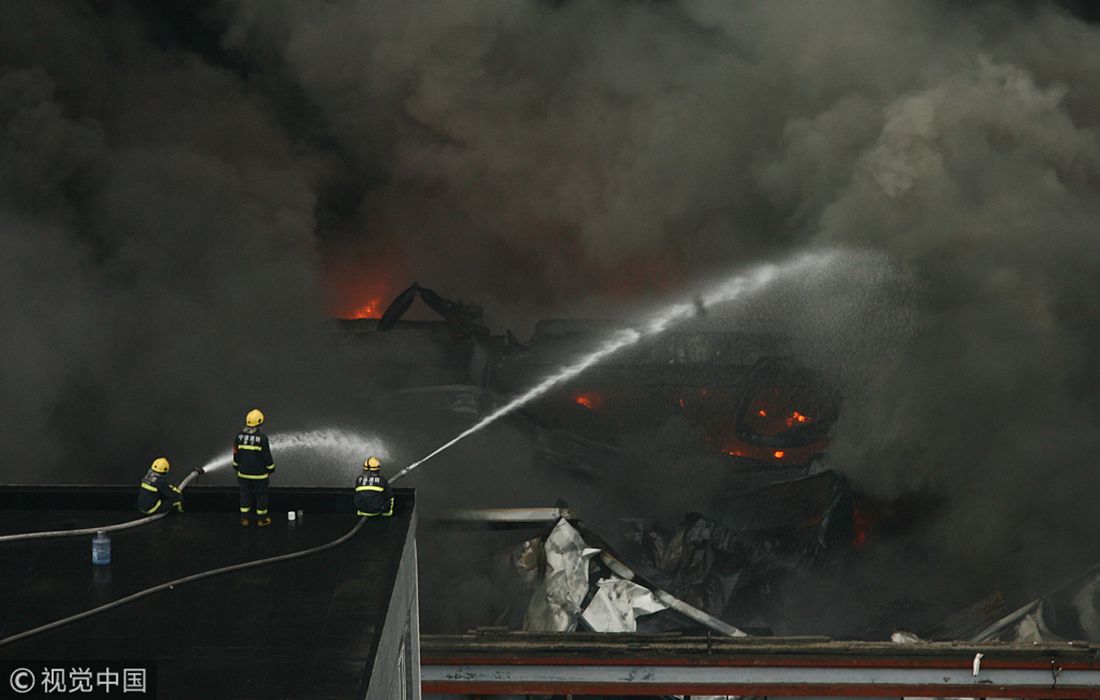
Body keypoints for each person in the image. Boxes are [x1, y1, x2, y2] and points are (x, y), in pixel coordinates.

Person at [233, 408, 274, 527]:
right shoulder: (262, 438)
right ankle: (262, 520)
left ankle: (244, 519)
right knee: (261, 495)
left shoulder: (239, 437)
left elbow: (236, 454)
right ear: (260, 423)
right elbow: (267, 456)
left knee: (245, 495)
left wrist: (236, 467)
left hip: (243, 474)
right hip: (259, 475)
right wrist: (271, 469)